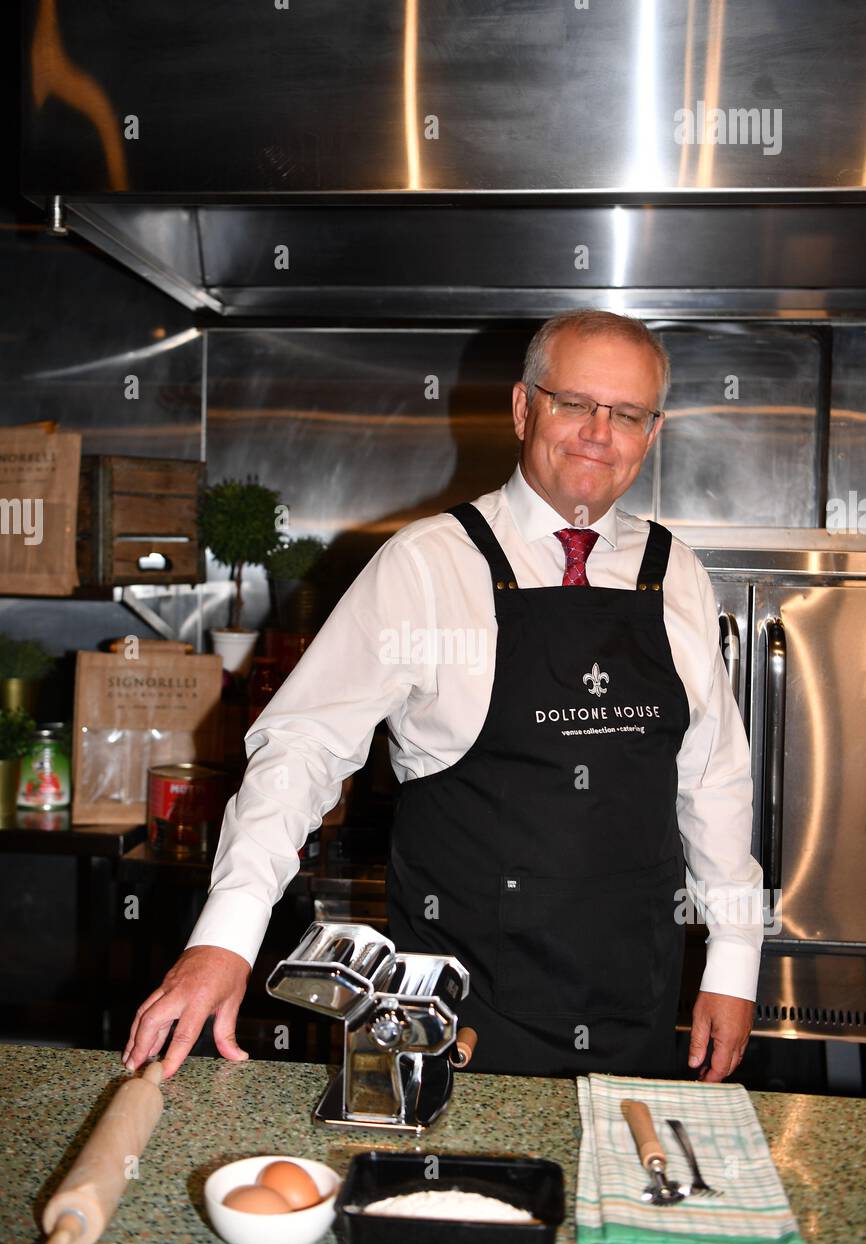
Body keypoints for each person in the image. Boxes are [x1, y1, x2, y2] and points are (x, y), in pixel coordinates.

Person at [122, 309, 764, 1082]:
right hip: (458, 1019)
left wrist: (734, 958)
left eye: (625, 414)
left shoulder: (677, 571)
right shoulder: (426, 565)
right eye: (574, 403)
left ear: (651, 434)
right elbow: (305, 746)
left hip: (634, 1007)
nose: (599, 432)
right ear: (524, 407)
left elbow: (712, 778)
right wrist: (226, 937)